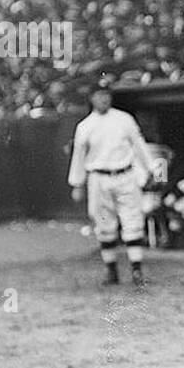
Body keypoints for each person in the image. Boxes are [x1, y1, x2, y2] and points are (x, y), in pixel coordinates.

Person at [67, 77, 154, 286]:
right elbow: (79, 156)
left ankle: (136, 270)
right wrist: (77, 183)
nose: (103, 99)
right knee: (104, 222)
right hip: (99, 177)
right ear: (92, 98)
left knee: (132, 220)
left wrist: (151, 171)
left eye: (106, 95)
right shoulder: (85, 126)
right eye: (99, 96)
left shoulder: (124, 119)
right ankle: (111, 270)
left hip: (125, 174)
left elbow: (139, 145)